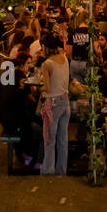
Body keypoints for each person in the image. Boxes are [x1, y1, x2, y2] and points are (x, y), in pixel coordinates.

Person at [39, 34, 71, 176]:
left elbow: (46, 87)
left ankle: (48, 170)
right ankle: (61, 170)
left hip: (53, 102)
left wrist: (33, 86)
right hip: (65, 100)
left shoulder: (47, 64)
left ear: (45, 47)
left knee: (50, 139)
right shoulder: (64, 58)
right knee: (63, 139)